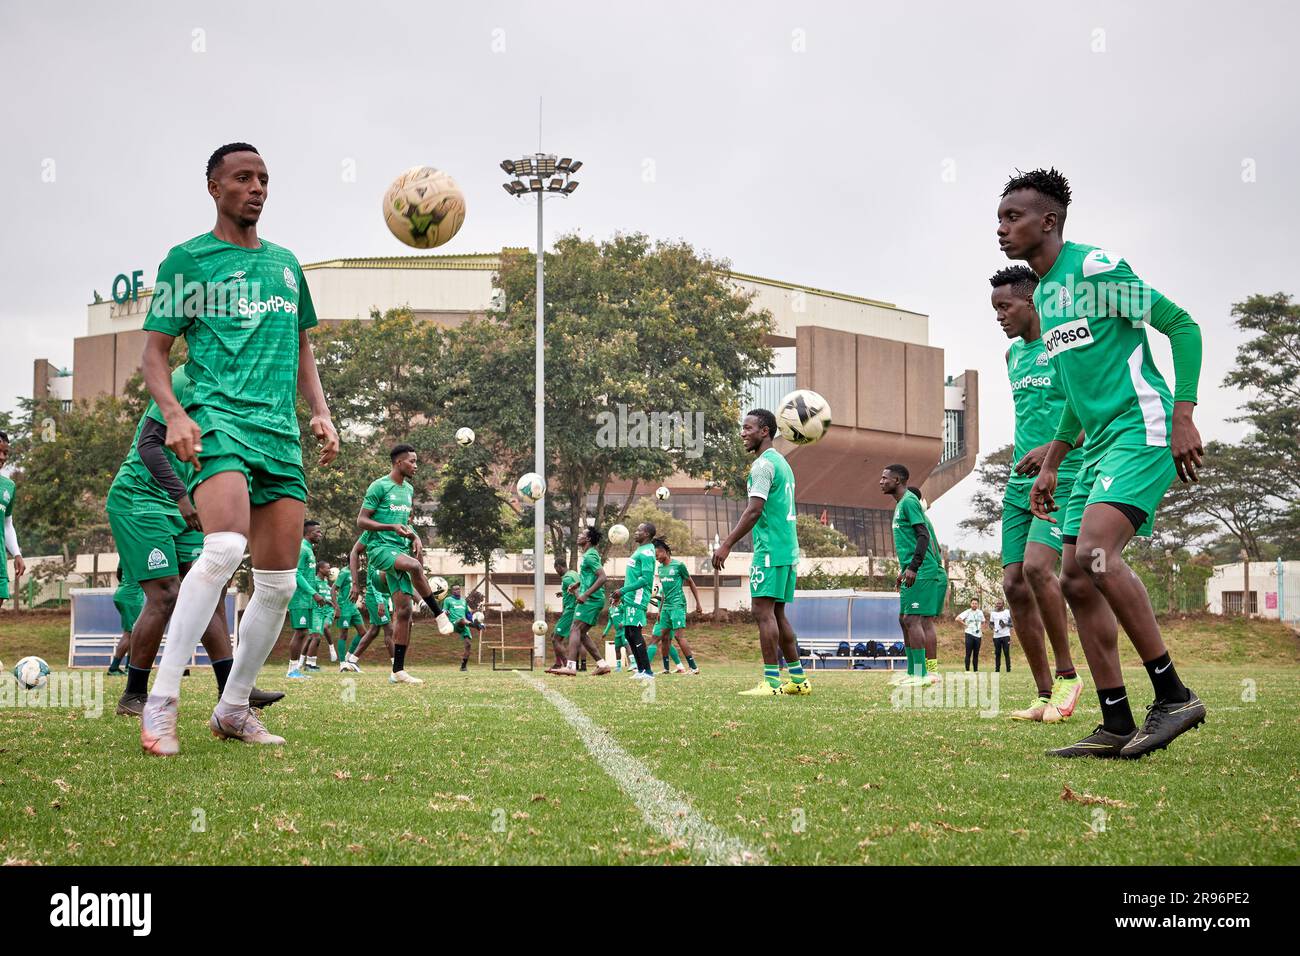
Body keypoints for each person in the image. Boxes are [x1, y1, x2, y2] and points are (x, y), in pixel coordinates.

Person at [138, 142, 339, 756]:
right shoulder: (189, 261)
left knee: (278, 582)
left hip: (278, 433)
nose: (256, 188)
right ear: (214, 187)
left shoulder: (285, 265)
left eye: (264, 179)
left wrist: (323, 413)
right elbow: (153, 355)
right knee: (224, 547)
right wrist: (174, 413)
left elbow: (302, 347)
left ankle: (232, 709)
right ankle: (161, 701)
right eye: (242, 178)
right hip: (219, 419)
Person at [999, 166, 1206, 758]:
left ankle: (1173, 696)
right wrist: (1053, 461)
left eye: (1014, 217)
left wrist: (1185, 414)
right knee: (1071, 576)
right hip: (1092, 447)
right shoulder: (1043, 294)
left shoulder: (1095, 270)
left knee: (1095, 552)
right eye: (1000, 218)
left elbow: (1181, 325)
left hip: (1142, 425)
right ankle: (1115, 720)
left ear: (1050, 220)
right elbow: (1072, 394)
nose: (1003, 228)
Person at [107, 367, 282, 717]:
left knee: (210, 590)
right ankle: (133, 695)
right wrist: (183, 498)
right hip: (141, 499)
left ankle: (233, 691)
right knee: (165, 593)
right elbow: (148, 445)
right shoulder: (186, 377)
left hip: (184, 502)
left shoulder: (234, 385)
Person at [989, 264, 1085, 722]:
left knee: (1036, 568)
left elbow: (1092, 415)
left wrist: (1052, 451)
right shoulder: (1012, 356)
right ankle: (1044, 693)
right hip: (1017, 483)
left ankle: (1069, 676)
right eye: (995, 309)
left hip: (1062, 477)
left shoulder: (1066, 347)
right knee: (1012, 583)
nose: (1000, 316)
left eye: (1006, 307)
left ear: (1032, 302)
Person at [712, 409, 809, 697]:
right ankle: (798, 679)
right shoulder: (782, 463)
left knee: (762, 612)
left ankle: (771, 682)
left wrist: (727, 543)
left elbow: (754, 510)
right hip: (787, 549)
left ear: (764, 431)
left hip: (770, 551)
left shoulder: (763, 466)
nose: (742, 433)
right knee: (778, 614)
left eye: (748, 428)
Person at [357, 443, 453, 685]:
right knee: (416, 567)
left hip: (399, 550)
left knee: (404, 612)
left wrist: (415, 535)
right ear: (398, 462)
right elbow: (362, 521)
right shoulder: (379, 486)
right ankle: (439, 614)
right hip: (380, 550)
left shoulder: (408, 489)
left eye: (416, 461)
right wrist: (389, 527)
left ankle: (398, 671)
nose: (416, 465)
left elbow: (406, 523)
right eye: (412, 461)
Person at [881, 464, 946, 687]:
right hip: (911, 569)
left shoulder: (909, 501)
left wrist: (914, 568)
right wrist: (903, 570)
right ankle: (912, 672)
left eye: (885, 478)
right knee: (904, 620)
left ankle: (921, 674)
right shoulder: (901, 505)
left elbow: (923, 536)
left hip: (923, 570)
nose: (881, 482)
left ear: (897, 480)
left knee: (914, 619)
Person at [558, 527, 613, 677]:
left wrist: (585, 595)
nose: (579, 535)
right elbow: (591, 577)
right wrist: (578, 585)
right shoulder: (590, 554)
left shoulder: (590, 556)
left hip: (592, 600)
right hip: (594, 599)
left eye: (582, 534)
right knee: (581, 633)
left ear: (588, 539)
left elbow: (602, 577)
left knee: (574, 628)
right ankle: (602, 664)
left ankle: (570, 666)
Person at [647, 538, 701, 675]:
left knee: (678, 636)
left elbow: (691, 582)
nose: (656, 558)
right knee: (664, 637)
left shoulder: (679, 565)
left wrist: (698, 603)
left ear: (664, 552)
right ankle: (666, 669)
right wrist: (659, 610)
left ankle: (694, 668)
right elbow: (664, 590)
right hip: (666, 607)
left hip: (678, 605)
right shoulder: (660, 569)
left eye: (657, 554)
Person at [285, 521, 324, 678]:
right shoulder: (302, 549)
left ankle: (295, 669)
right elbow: (297, 574)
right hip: (299, 598)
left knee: (303, 632)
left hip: (307, 599)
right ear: (308, 533)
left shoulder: (309, 549)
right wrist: (313, 593)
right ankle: (292, 670)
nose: (320, 534)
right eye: (317, 532)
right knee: (300, 632)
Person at [0, 431, 25, 610]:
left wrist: (16, 553)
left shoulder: (9, 486)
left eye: (6, 453)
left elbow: (7, 524)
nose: (2, 457)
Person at [443, 583, 484, 672]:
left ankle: (463, 666)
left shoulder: (463, 601)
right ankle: (475, 625)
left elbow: (468, 614)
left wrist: (476, 622)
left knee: (468, 645)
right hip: (454, 623)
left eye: (458, 589)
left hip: (465, 624)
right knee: (462, 619)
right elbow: (444, 610)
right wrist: (445, 613)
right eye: (455, 589)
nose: (457, 590)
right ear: (452, 591)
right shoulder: (448, 600)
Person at [547, 557, 578, 673]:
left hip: (571, 611)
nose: (556, 572)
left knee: (556, 638)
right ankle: (558, 664)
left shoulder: (567, 578)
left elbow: (576, 590)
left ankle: (567, 666)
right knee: (555, 636)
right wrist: (564, 593)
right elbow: (574, 587)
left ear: (559, 567)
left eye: (556, 569)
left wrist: (579, 599)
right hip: (574, 610)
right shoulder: (573, 573)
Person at [109, 567, 141, 675]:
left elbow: (119, 573)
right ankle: (113, 668)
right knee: (130, 633)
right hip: (131, 598)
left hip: (122, 593)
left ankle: (129, 667)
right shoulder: (143, 553)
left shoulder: (127, 550)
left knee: (133, 632)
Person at [332, 561, 364, 672]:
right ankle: (342, 664)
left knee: (363, 633)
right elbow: (333, 589)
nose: (360, 562)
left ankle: (348, 659)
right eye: (358, 560)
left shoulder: (354, 573)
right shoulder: (344, 572)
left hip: (353, 609)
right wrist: (336, 607)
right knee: (343, 635)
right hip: (344, 608)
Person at [303, 560, 335, 671]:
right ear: (320, 569)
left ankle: (312, 664)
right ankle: (307, 664)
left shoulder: (325, 583)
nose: (329, 570)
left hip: (324, 612)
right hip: (315, 612)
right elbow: (312, 596)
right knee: (315, 637)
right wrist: (326, 601)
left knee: (317, 638)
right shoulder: (314, 581)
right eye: (327, 568)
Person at [956, 599, 986, 672]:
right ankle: (967, 670)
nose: (974, 605)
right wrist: (965, 624)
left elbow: (983, 621)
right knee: (968, 653)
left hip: (978, 635)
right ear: (970, 604)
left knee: (976, 654)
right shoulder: (967, 612)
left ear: (978, 604)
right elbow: (957, 619)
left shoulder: (980, 612)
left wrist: (981, 628)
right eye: (973, 603)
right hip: (969, 634)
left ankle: (976, 670)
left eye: (976, 603)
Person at [990, 599, 1014, 672]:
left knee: (1006, 652)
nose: (998, 605)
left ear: (1003, 604)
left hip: (1006, 636)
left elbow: (1012, 624)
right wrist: (993, 628)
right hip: (996, 636)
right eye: (997, 603)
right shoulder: (993, 613)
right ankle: (997, 670)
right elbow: (991, 624)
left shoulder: (1007, 612)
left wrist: (1005, 624)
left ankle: (1008, 670)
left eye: (1000, 603)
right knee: (997, 653)